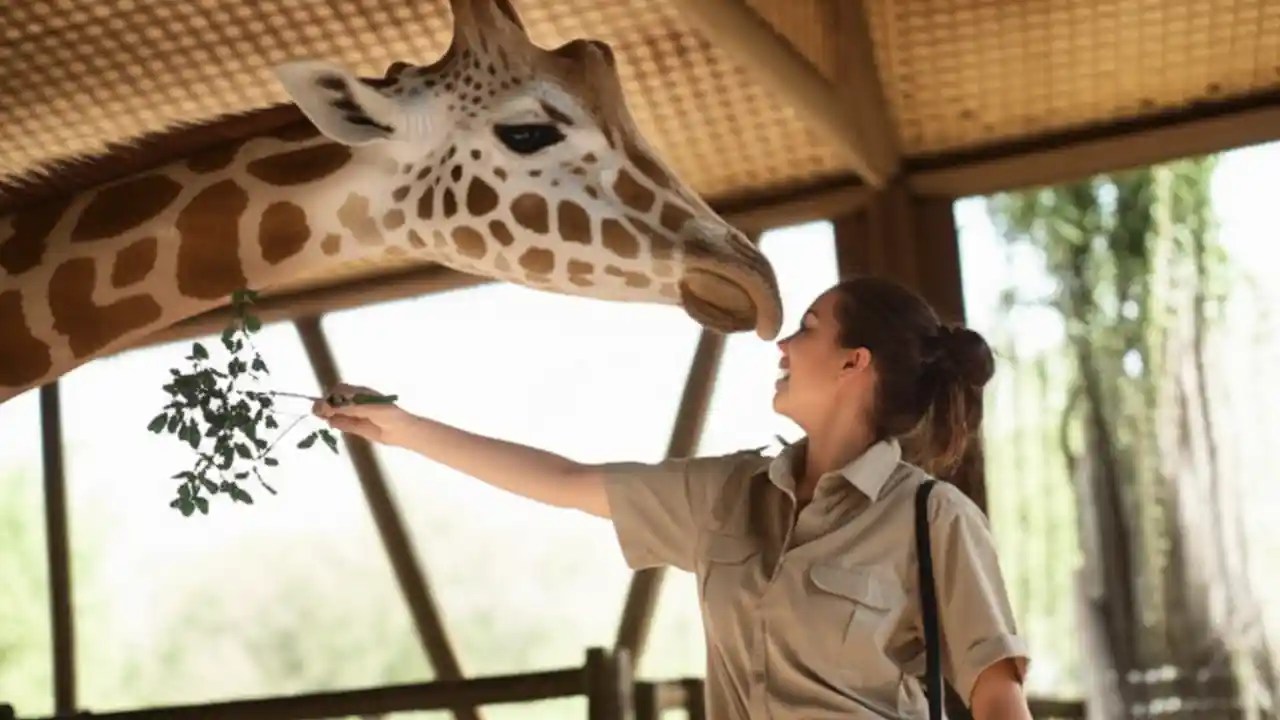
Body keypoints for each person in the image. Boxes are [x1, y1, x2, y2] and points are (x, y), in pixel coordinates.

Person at [313, 275, 1033, 720]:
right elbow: (568, 482)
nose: (782, 342)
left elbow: (998, 698)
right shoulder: (727, 494)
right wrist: (404, 429)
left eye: (807, 329)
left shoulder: (932, 519)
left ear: (855, 362)